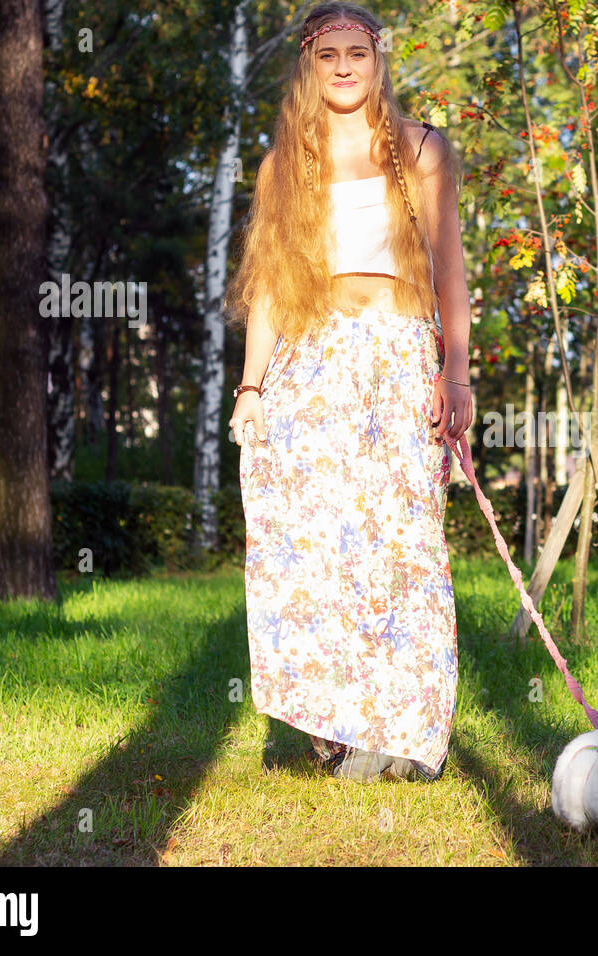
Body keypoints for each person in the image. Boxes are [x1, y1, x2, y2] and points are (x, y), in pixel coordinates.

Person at [223, 2, 473, 783]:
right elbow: (268, 287)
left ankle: (407, 730)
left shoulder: (419, 149)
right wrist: (252, 387)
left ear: (376, 60)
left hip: (397, 357)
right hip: (313, 365)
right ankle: (337, 726)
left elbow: (449, 271)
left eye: (355, 53)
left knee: (403, 545)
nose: (341, 66)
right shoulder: (280, 167)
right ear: (307, 62)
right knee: (318, 548)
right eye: (326, 53)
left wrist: (456, 369)